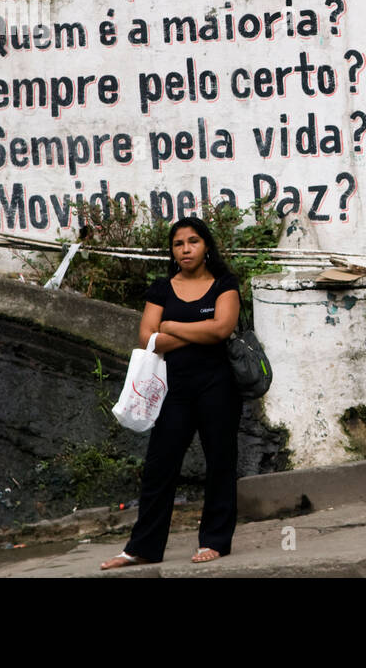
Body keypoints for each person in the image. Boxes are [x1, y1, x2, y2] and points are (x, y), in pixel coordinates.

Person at [101, 217, 243, 569]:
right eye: (179, 244)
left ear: (206, 245)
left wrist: (172, 327)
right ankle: (143, 547)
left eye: (193, 242)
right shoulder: (162, 288)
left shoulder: (224, 283)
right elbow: (148, 339)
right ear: (172, 250)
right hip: (173, 389)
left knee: (220, 463)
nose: (186, 249)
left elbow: (223, 328)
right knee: (159, 466)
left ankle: (215, 541)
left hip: (218, 386)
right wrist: (200, 329)